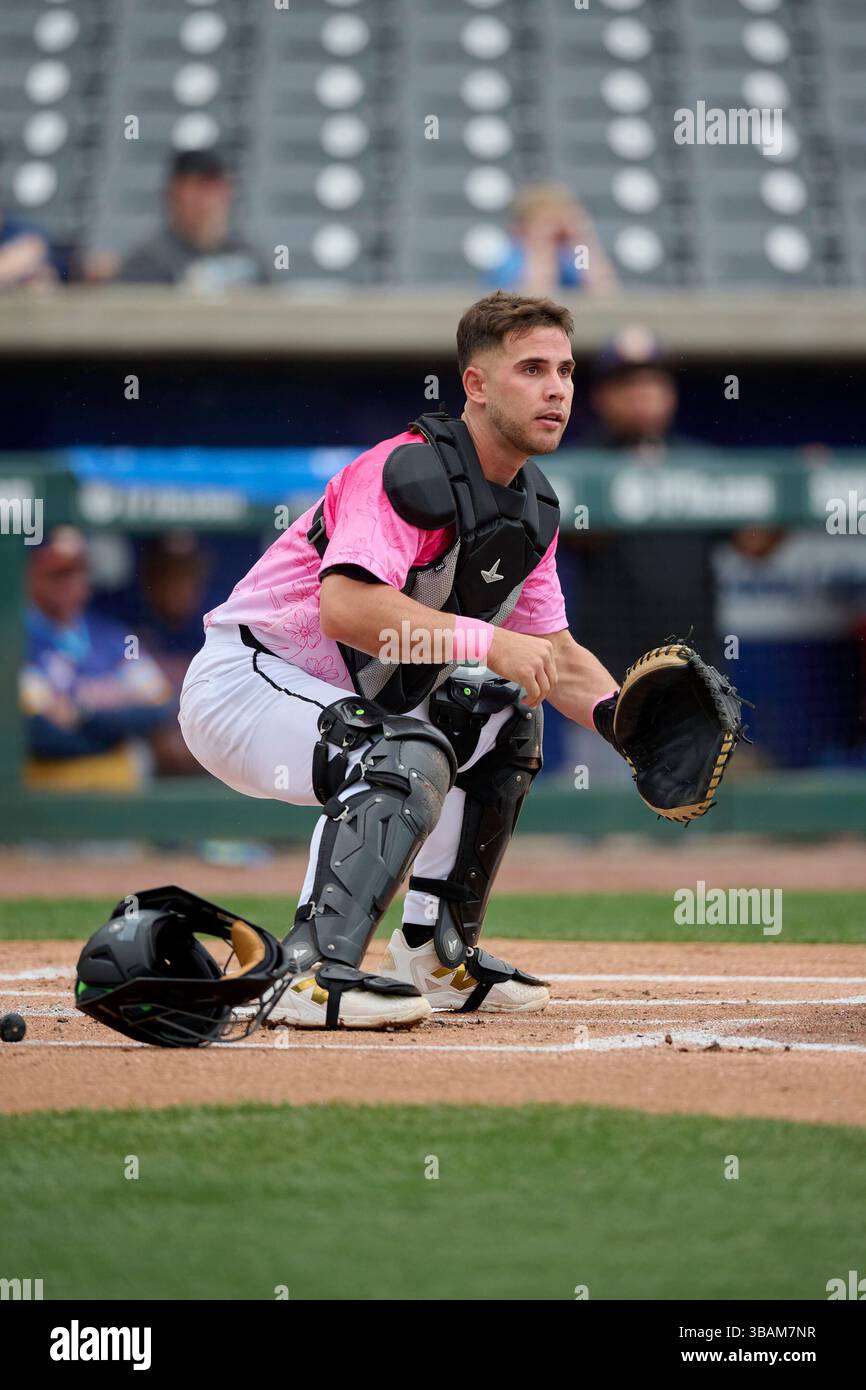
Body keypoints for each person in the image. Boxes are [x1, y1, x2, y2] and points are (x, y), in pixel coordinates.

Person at [179, 290, 619, 1030]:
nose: (557, 389)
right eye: (533, 369)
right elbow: (346, 611)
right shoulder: (406, 472)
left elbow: (552, 655)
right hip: (243, 682)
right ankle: (311, 973)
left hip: (338, 702)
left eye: (567, 371)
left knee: (504, 712)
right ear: (476, 384)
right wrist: (487, 642)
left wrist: (629, 722)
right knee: (400, 750)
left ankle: (435, 953)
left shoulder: (531, 506)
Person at [20, 527, 174, 790]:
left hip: (119, 789)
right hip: (44, 795)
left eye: (79, 570)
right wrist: (117, 706)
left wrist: (81, 711)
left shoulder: (115, 637)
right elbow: (41, 731)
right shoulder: (15, 641)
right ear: (31, 575)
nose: (71, 581)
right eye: (59, 572)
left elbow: (158, 705)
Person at [116, 148, 270, 288]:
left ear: (227, 192)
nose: (206, 200)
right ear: (173, 194)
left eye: (212, 186)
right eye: (196, 187)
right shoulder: (146, 262)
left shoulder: (250, 256)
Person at [485, 183, 618, 295]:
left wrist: (580, 239)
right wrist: (542, 246)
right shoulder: (509, 262)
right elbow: (536, 299)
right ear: (523, 229)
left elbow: (602, 293)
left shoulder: (567, 259)